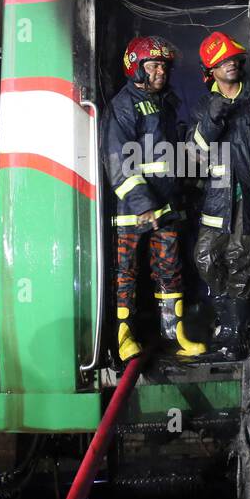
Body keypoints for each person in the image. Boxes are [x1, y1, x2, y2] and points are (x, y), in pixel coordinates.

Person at [103, 35, 206, 361]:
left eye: (164, 65)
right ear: (136, 68)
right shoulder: (123, 105)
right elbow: (117, 159)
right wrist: (143, 203)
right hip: (134, 211)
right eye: (154, 64)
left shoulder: (167, 102)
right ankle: (124, 336)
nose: (161, 71)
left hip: (168, 207)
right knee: (126, 273)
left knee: (170, 270)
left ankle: (174, 335)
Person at [189, 31, 250, 360]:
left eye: (232, 59)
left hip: (248, 194)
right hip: (217, 195)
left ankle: (235, 334)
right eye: (221, 61)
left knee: (240, 261)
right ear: (210, 70)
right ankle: (226, 317)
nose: (229, 64)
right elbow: (195, 150)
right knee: (204, 257)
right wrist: (215, 115)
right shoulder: (204, 104)